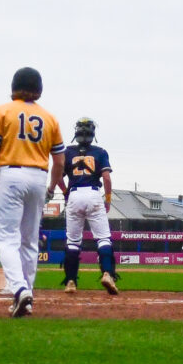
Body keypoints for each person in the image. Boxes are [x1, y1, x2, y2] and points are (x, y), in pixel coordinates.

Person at [0, 67, 65, 317]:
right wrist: (51, 189)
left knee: (5, 236)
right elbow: (60, 162)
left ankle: (19, 289)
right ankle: (27, 296)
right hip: (39, 177)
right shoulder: (50, 118)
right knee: (29, 240)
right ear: (39, 89)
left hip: (12, 174)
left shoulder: (3, 110)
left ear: (14, 86)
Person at [57, 117, 117, 295]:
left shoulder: (67, 152)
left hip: (74, 194)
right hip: (93, 194)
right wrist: (108, 199)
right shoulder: (100, 152)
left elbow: (58, 176)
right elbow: (106, 178)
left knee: (73, 241)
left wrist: (65, 192)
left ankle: (70, 281)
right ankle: (107, 273)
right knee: (103, 239)